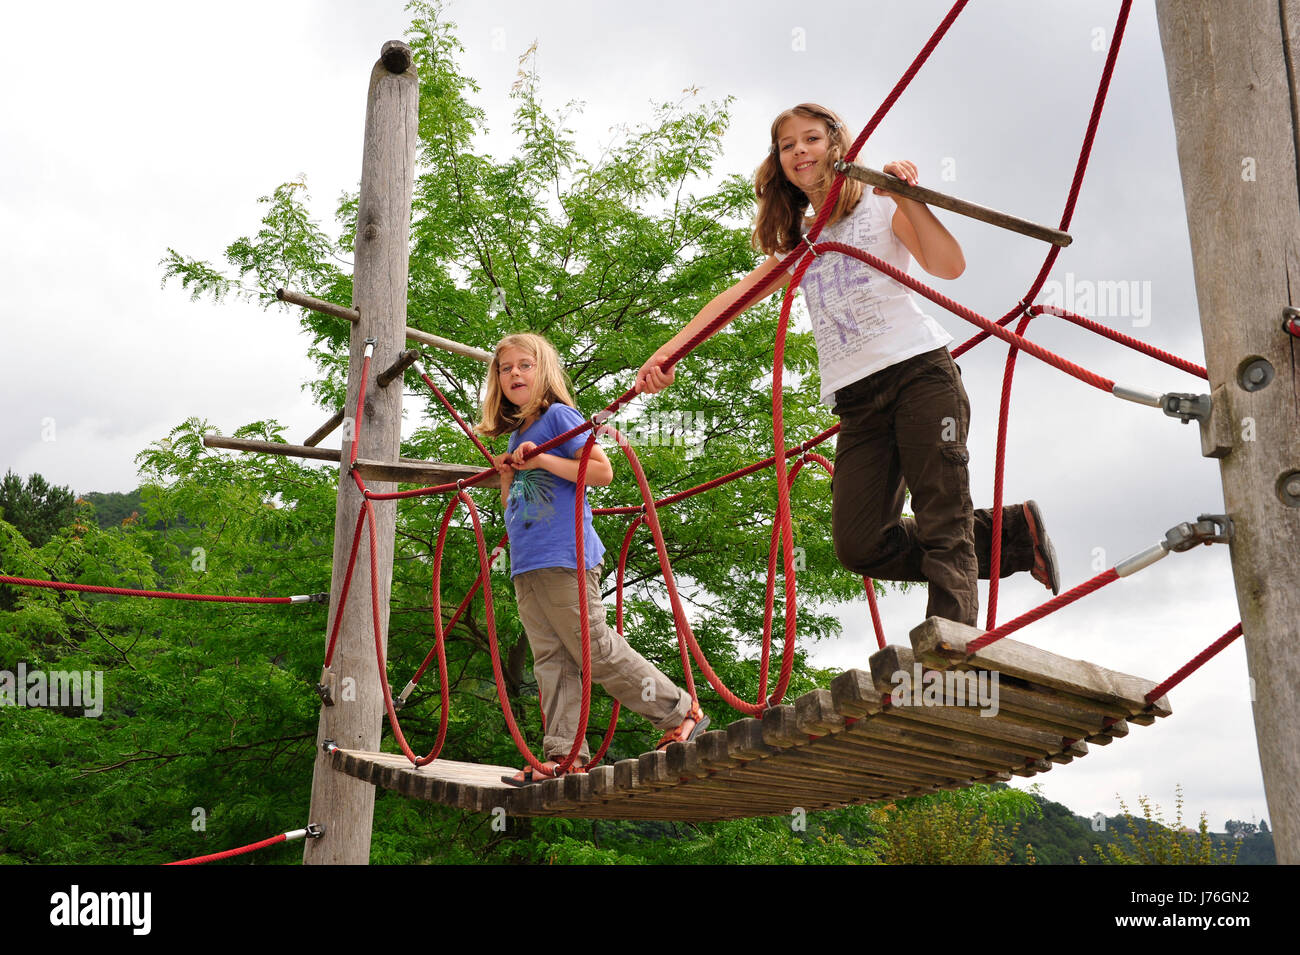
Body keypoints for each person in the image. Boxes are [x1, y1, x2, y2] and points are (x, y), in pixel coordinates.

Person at [636, 103, 1059, 628]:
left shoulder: (879, 204)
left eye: (810, 139)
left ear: (837, 145)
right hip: (858, 402)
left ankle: (949, 652)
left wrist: (910, 199)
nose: (799, 151)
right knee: (860, 544)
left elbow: (949, 266)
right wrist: (669, 352)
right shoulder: (801, 240)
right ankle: (1014, 535)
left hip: (918, 375)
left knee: (941, 517)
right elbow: (736, 296)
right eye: (787, 145)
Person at [478, 333, 709, 786]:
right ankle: (565, 756)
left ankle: (681, 712)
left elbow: (601, 471)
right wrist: (509, 475)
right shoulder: (518, 434)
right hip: (528, 563)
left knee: (594, 649)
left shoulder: (559, 417)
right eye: (506, 369)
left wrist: (542, 460)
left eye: (525, 365)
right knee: (551, 660)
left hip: (565, 555)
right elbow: (515, 509)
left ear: (542, 371)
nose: (515, 375)